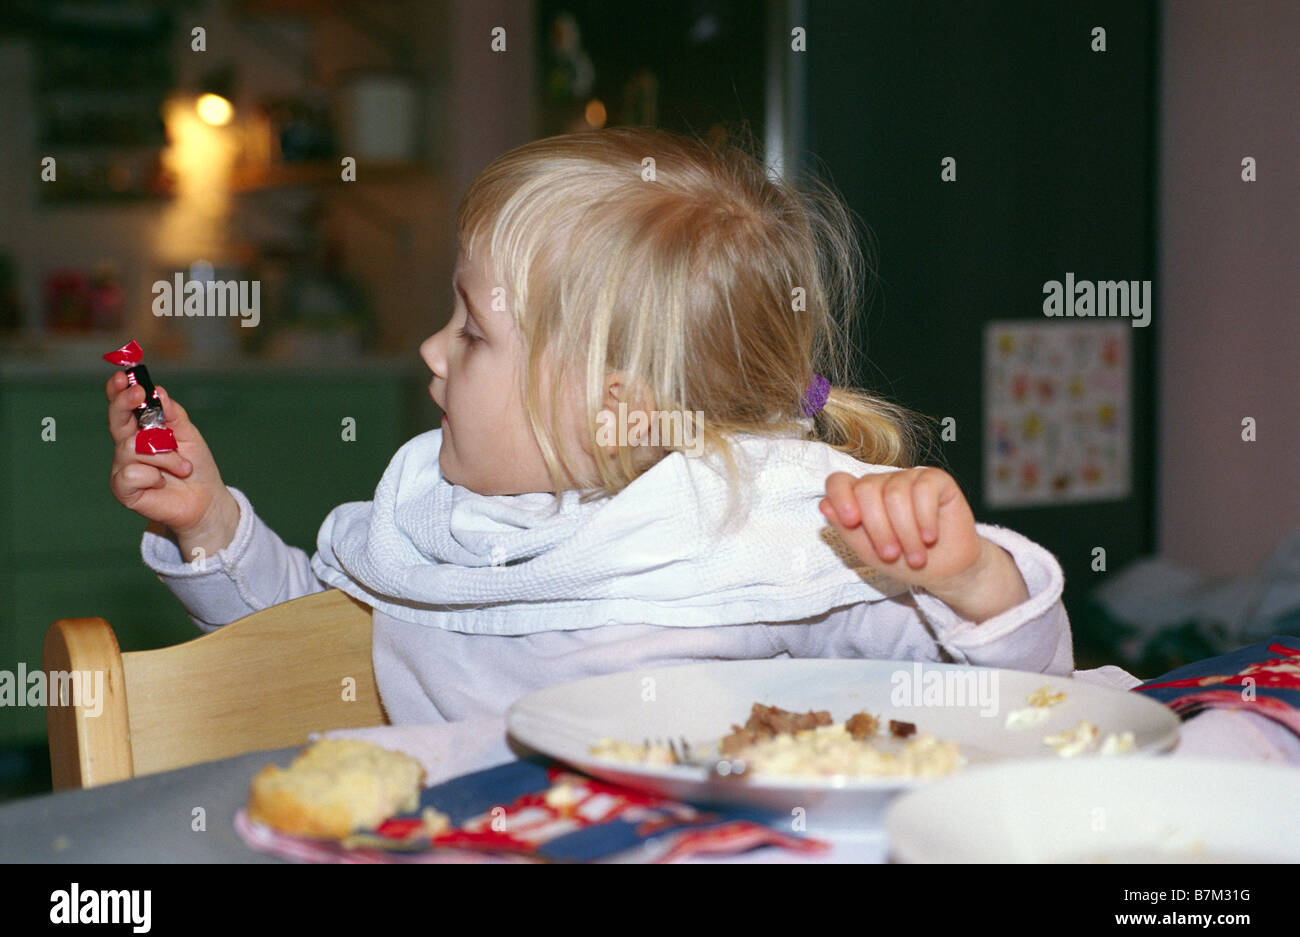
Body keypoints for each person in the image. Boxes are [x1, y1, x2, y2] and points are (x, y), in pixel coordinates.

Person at [106, 126, 1075, 726]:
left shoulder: (774, 533)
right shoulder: (445, 519)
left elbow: (1020, 705)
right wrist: (208, 527)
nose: (430, 352)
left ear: (620, 403)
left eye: (473, 333)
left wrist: (971, 582)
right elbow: (299, 647)